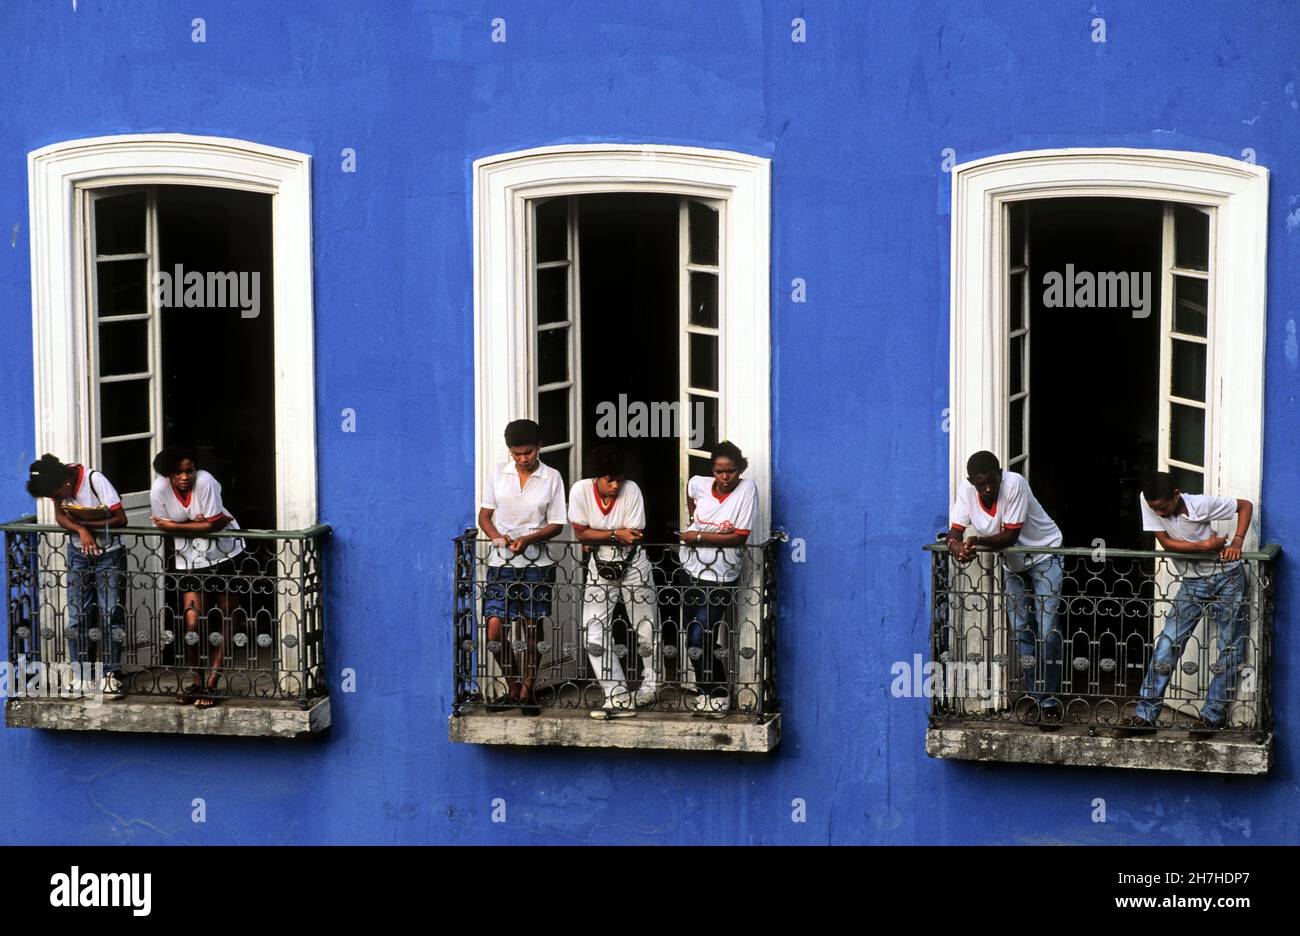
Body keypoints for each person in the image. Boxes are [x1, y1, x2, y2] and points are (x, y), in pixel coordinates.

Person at [1124, 471, 1253, 733]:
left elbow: (1245, 506)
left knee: (1230, 648)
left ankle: (1212, 716)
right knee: (1167, 645)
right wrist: (1206, 546)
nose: (1159, 514)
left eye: (1163, 508)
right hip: (1192, 583)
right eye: (1154, 509)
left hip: (1228, 579)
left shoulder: (1200, 505)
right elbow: (1166, 543)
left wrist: (1236, 542)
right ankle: (1146, 714)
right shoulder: (1148, 500)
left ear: (1176, 495)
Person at [947, 450, 1065, 728]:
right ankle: (1037, 698)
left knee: (1047, 630)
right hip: (1013, 563)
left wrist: (973, 542)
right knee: (1022, 629)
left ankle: (1049, 702)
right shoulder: (967, 491)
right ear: (971, 481)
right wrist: (956, 547)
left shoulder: (1015, 483)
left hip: (1046, 554)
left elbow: (1009, 536)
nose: (987, 488)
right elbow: (954, 530)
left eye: (991, 481)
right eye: (980, 484)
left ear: (1000, 475)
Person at [477, 419, 566, 714]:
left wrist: (529, 538)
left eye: (527, 452)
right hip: (501, 562)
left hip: (536, 563)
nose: (522, 459)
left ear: (539, 447)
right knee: (494, 629)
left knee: (530, 628)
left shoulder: (551, 477)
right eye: (516, 454)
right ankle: (512, 683)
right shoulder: (498, 475)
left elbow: (556, 525)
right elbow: (485, 516)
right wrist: (497, 538)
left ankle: (528, 690)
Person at [149, 446, 246, 708]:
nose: (184, 477)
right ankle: (196, 681)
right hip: (189, 561)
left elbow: (215, 524)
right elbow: (164, 528)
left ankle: (212, 683)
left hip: (225, 554)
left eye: (188, 470)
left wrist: (177, 526)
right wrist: (196, 525)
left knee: (226, 617)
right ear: (167, 474)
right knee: (192, 622)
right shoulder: (159, 490)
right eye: (178, 472)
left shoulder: (205, 481)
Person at [569, 444, 662, 719]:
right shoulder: (579, 491)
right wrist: (612, 535)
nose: (615, 485)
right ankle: (616, 694)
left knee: (646, 627)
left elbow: (631, 535)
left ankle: (653, 685)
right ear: (594, 477)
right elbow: (580, 535)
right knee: (593, 631)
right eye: (609, 479)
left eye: (619, 479)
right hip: (600, 565)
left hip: (634, 563)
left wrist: (597, 534)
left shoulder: (631, 489)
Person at [26, 455, 128, 699]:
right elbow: (61, 517)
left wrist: (90, 527)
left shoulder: (95, 480)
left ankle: (110, 675)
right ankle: (81, 675)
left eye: (57, 493)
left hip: (108, 555)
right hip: (78, 556)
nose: (57, 498)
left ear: (66, 482)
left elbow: (121, 519)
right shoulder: (56, 486)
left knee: (110, 613)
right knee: (77, 615)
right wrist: (81, 530)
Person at [676, 441, 757, 718]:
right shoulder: (700, 484)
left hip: (721, 574)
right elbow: (689, 491)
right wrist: (692, 520)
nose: (724, 477)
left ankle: (719, 691)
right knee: (693, 637)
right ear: (713, 469)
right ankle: (705, 691)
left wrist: (697, 536)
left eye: (730, 471)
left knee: (703, 633)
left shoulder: (747, 490)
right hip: (690, 569)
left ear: (740, 469)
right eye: (719, 471)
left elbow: (739, 536)